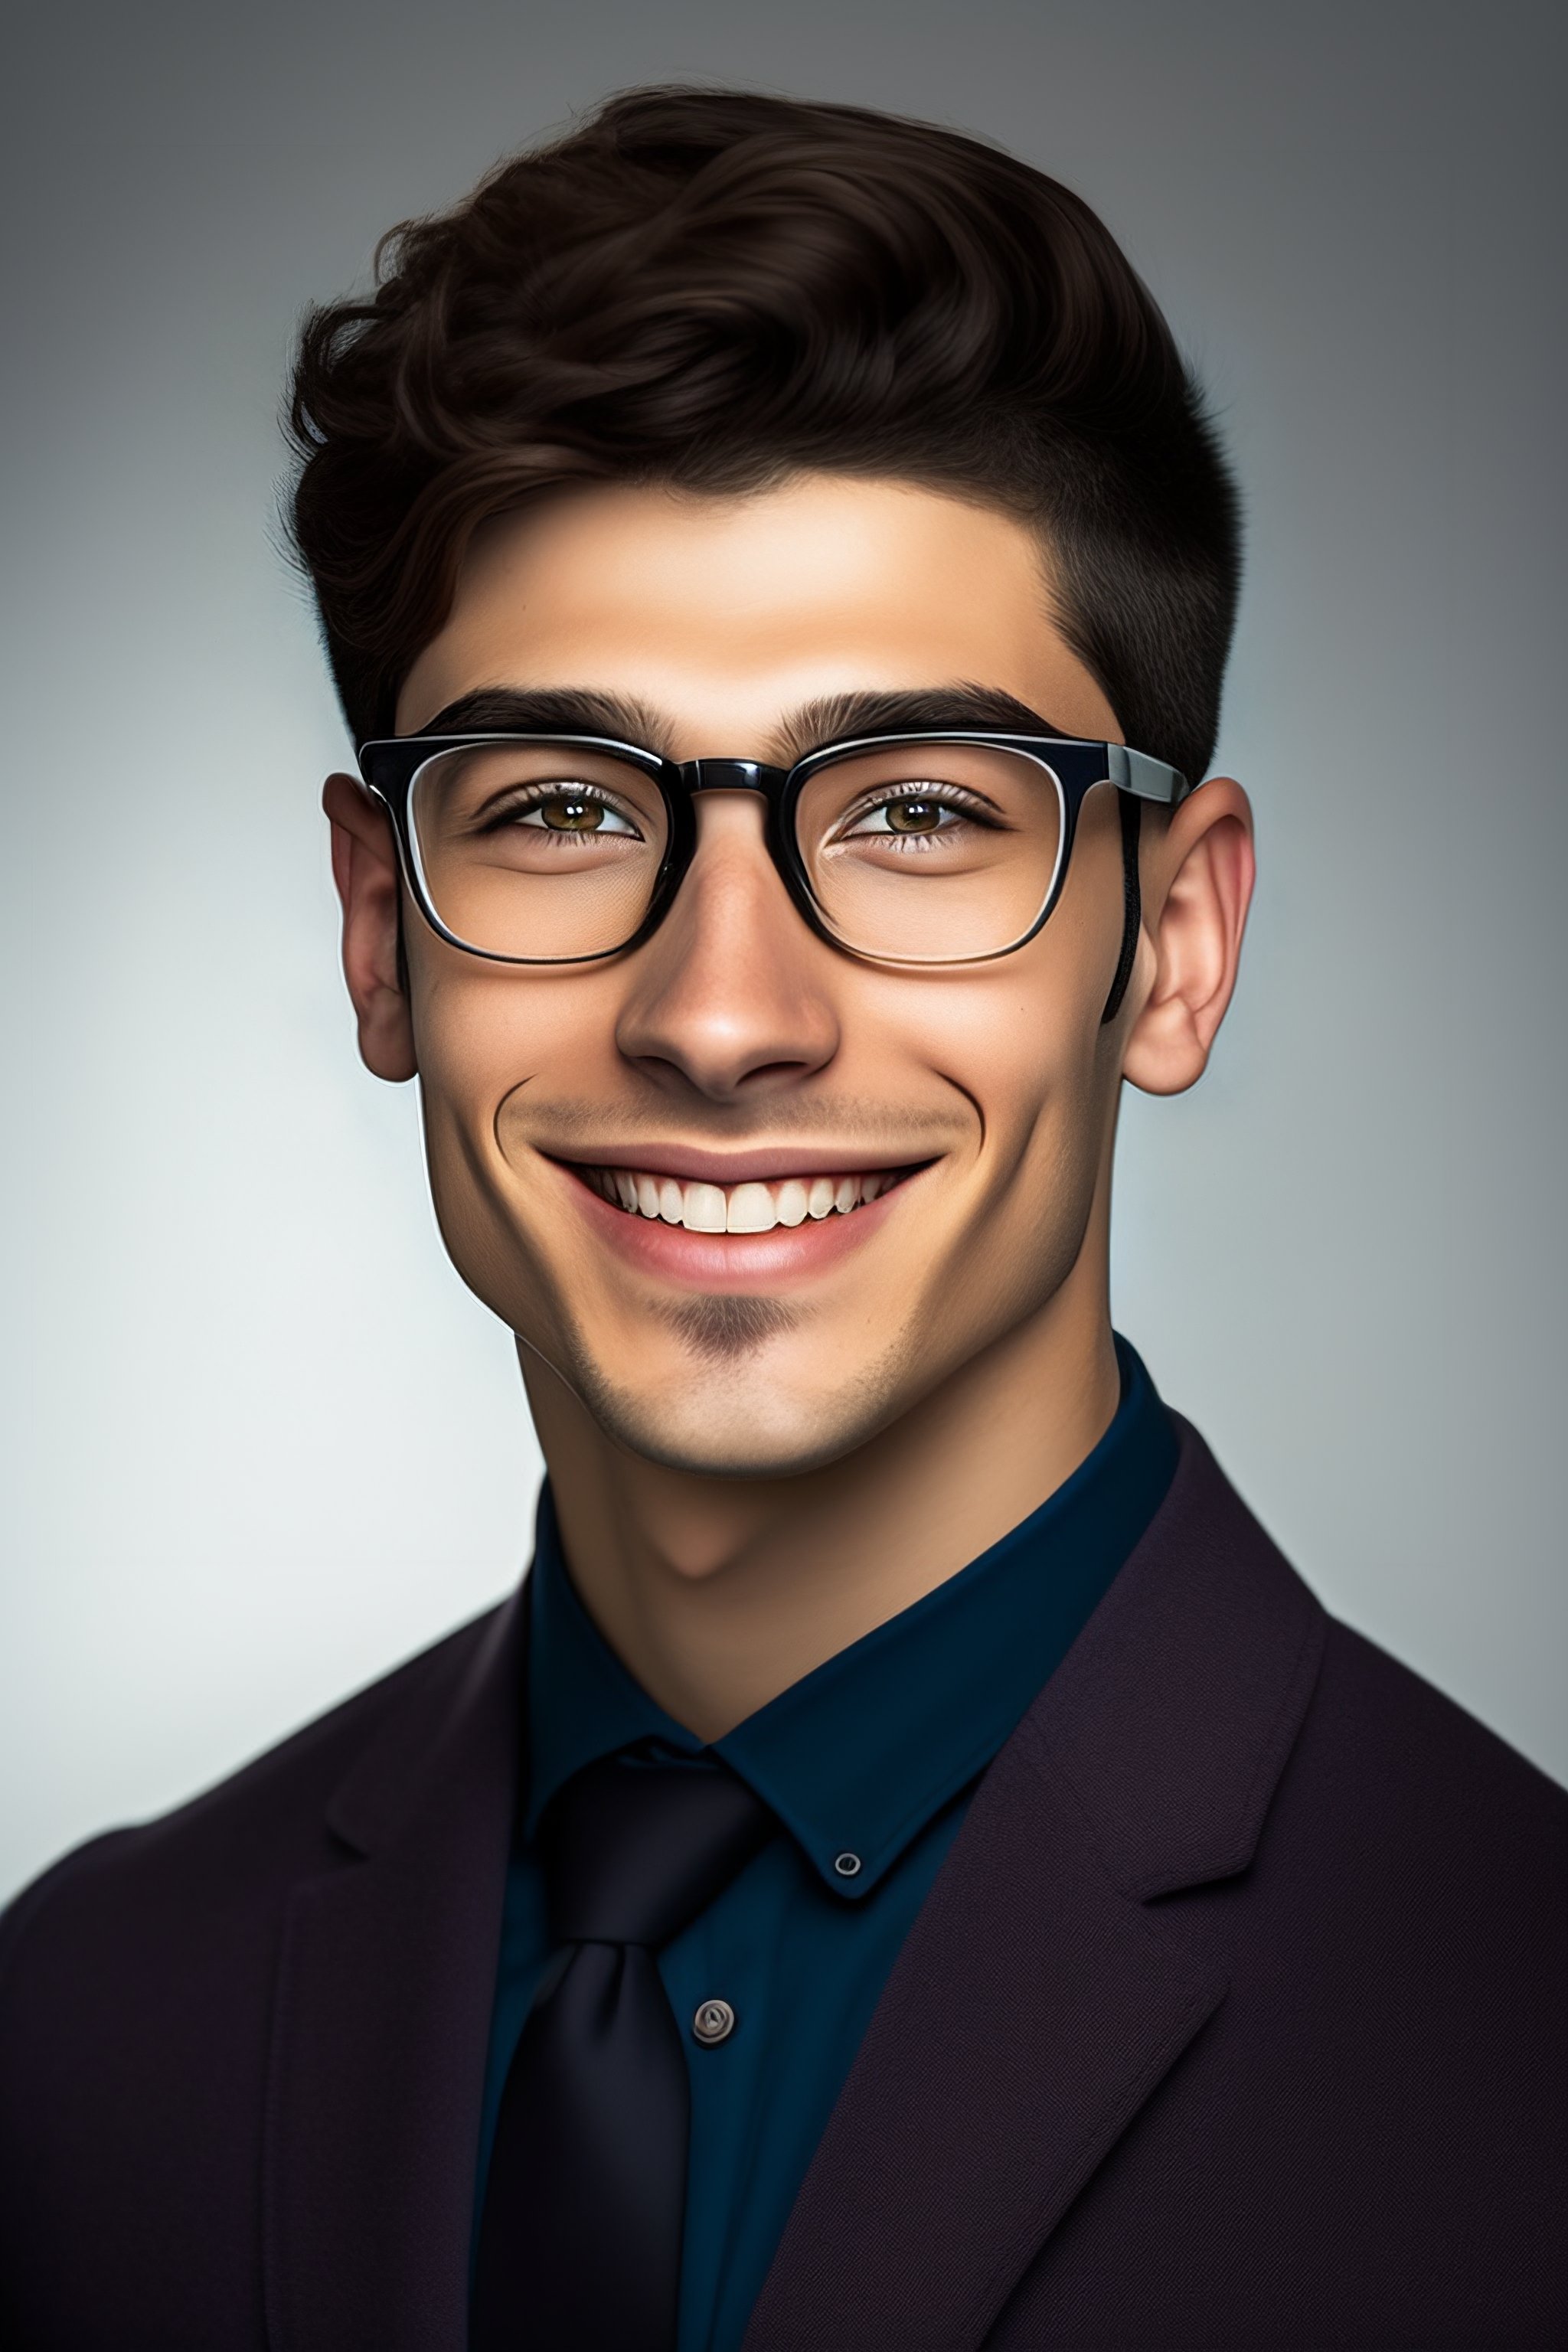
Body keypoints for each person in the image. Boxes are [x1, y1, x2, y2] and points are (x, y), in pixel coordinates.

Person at [0, 84, 1562, 2352]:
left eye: (920, 808)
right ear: (379, 934)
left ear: (1179, 942)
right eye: (554, 804)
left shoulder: (1526, 2035)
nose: (722, 1015)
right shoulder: (76, 2037)